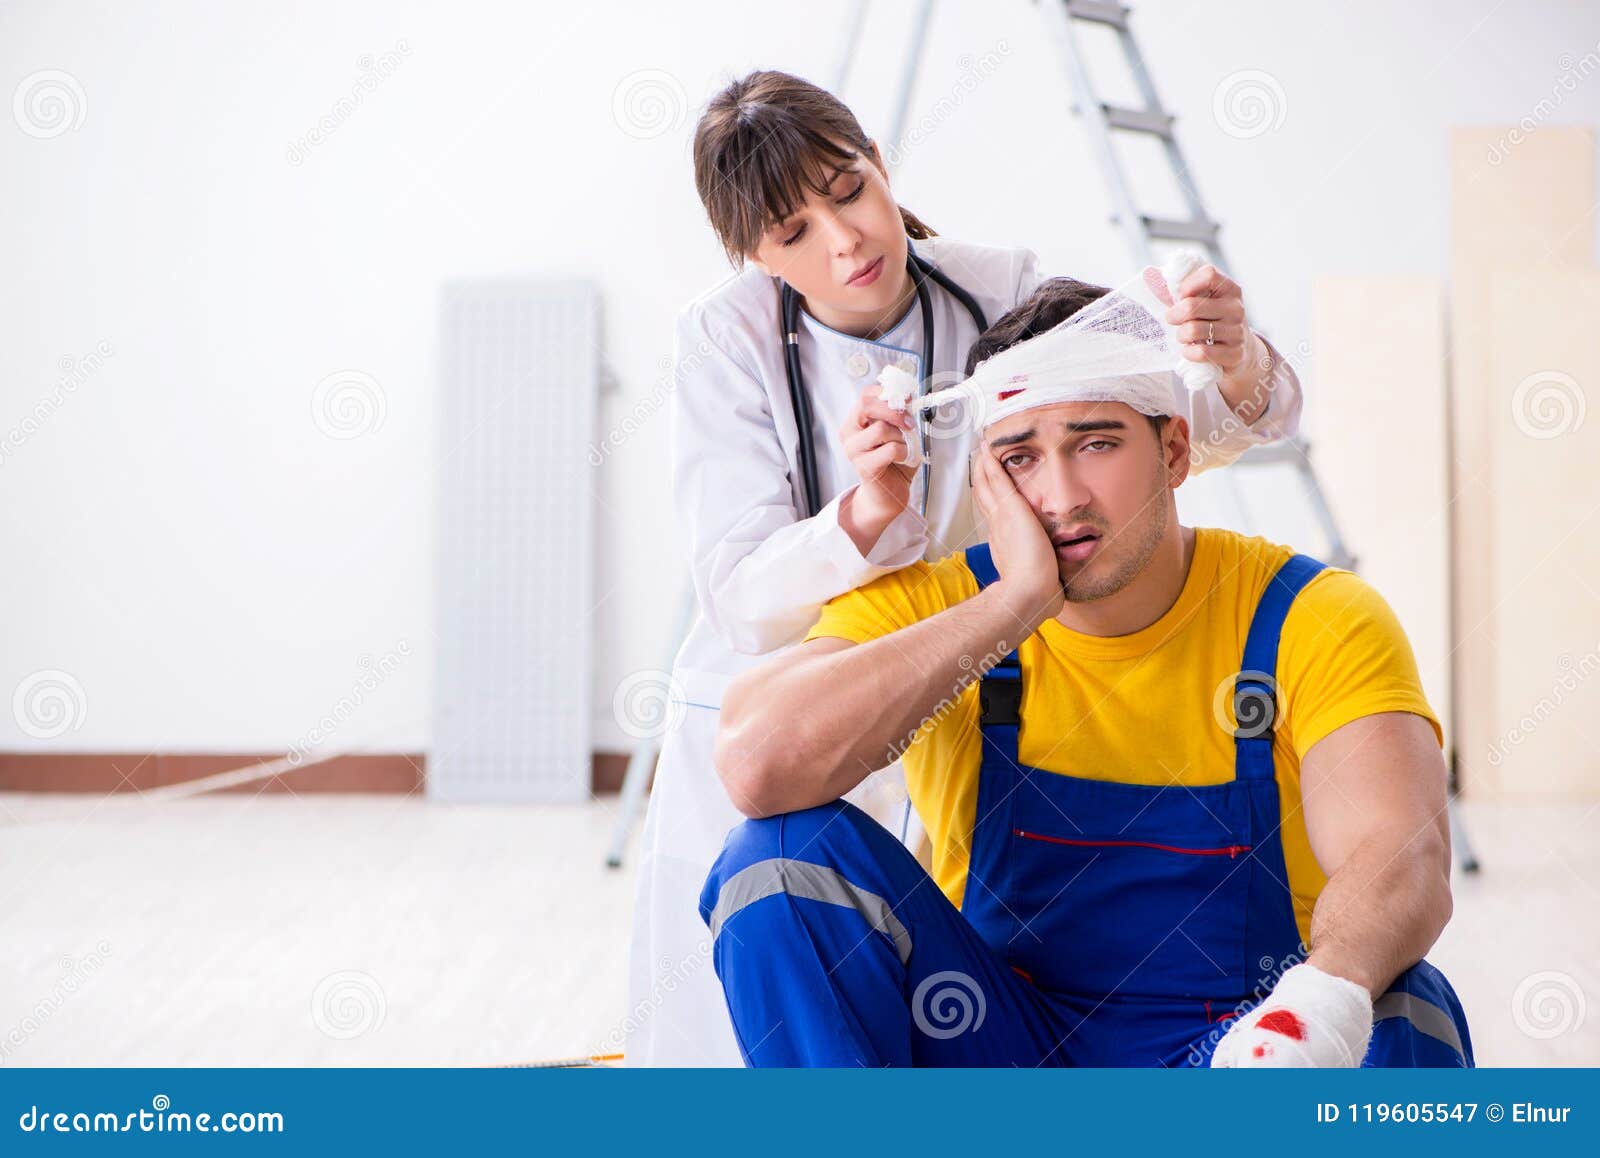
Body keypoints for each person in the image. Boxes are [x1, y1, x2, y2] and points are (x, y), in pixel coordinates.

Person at [626, 68, 1306, 1067]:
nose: (845, 239)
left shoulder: (997, 286)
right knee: (732, 1020)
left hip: (942, 674)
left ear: (880, 164)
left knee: (924, 985)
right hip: (779, 690)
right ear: (755, 257)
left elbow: (1190, 415)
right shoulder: (722, 338)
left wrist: (1234, 352)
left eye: (848, 189)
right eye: (793, 233)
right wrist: (861, 515)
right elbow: (737, 598)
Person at [699, 277, 1473, 1067]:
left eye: (1096, 444)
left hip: (1242, 1059)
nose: (1061, 497)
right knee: (778, 860)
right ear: (985, 483)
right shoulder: (939, 610)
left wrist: (1311, 1016)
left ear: (1173, 451)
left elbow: (1401, 853)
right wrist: (1015, 605)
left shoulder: (1309, 616)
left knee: (1405, 1008)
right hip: (998, 1052)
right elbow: (759, 768)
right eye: (1020, 459)